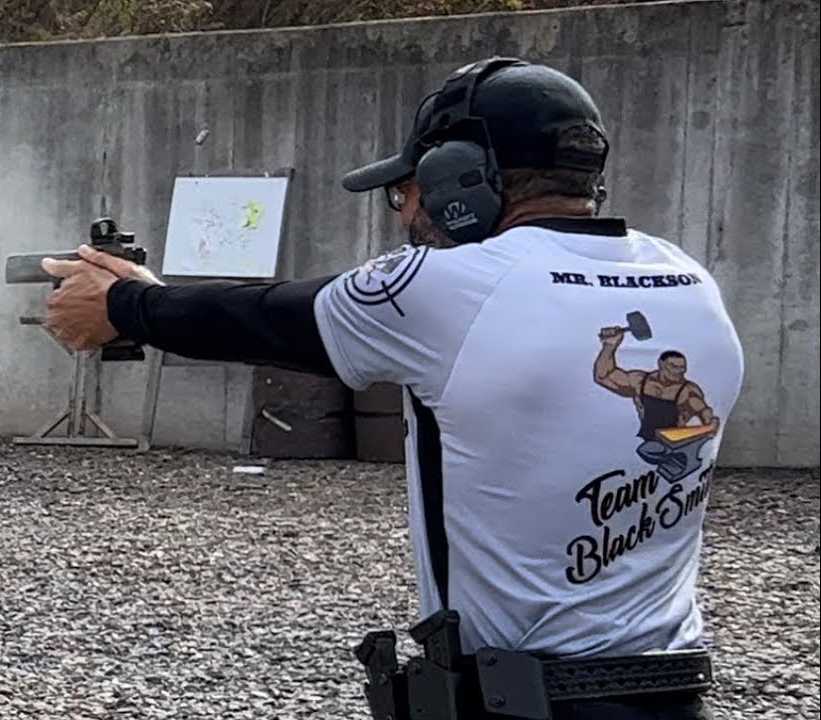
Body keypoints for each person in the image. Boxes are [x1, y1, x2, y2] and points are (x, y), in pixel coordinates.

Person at [39, 57, 745, 720]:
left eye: (407, 192)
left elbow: (265, 319)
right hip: (675, 688)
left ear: (460, 178)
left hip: (526, 700)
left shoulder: (450, 286)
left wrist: (124, 305)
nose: (407, 215)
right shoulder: (691, 282)